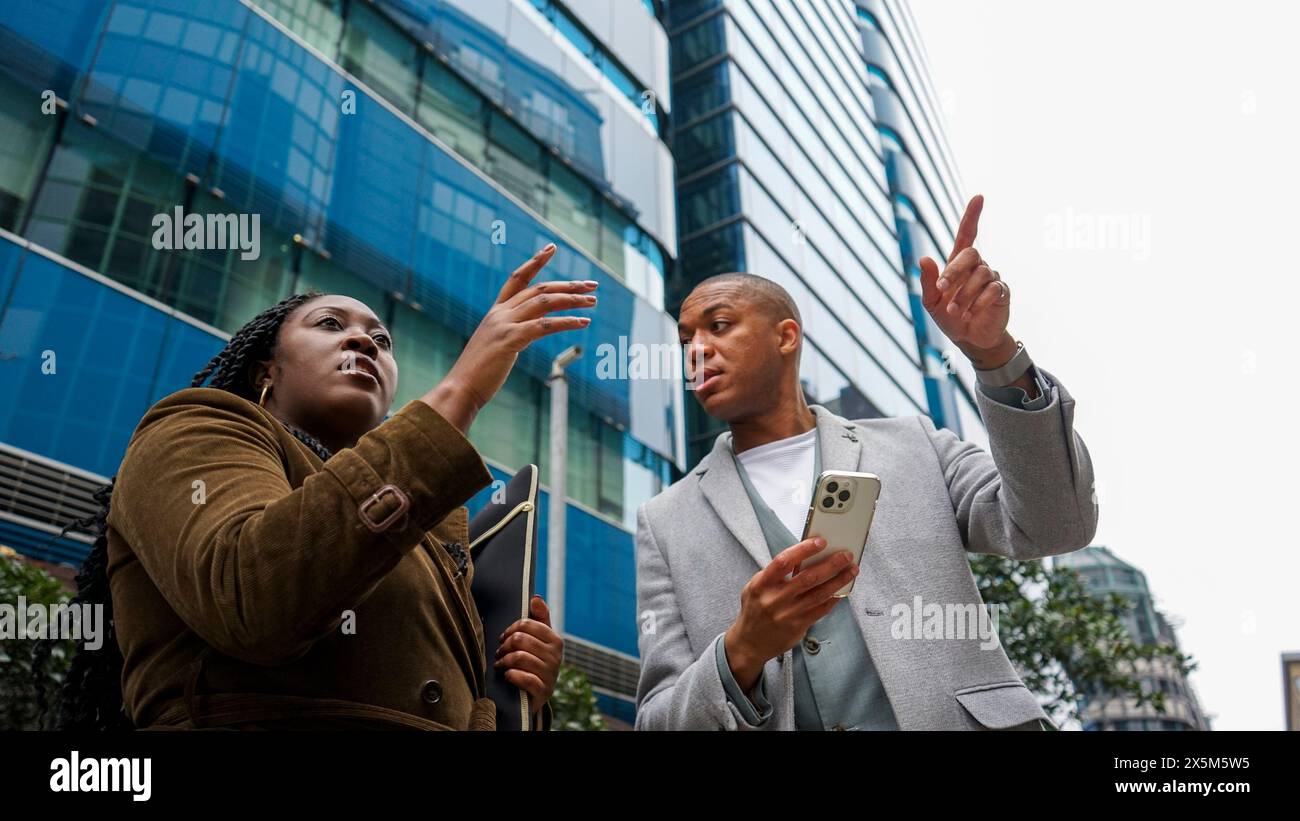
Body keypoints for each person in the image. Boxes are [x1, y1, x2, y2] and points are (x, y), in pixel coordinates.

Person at [35, 243, 593, 730]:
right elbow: (253, 598)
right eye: (331, 324)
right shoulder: (191, 426)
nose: (366, 342)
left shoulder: (421, 523)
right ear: (265, 371)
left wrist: (521, 694)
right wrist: (462, 391)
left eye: (382, 338)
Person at [634, 196, 1097, 730]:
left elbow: (1057, 526)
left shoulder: (914, 444)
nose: (697, 350)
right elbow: (657, 720)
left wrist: (995, 358)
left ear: (786, 336)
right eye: (685, 339)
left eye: (718, 326)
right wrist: (739, 651)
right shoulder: (665, 521)